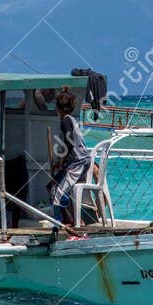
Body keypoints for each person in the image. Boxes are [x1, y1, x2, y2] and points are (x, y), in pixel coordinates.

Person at [48, 87, 95, 226]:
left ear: (58, 108)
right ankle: (69, 219)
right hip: (81, 160)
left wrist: (63, 163)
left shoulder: (65, 121)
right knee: (51, 185)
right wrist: (62, 162)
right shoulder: (73, 119)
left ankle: (58, 223)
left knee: (57, 192)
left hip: (77, 162)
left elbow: (70, 143)